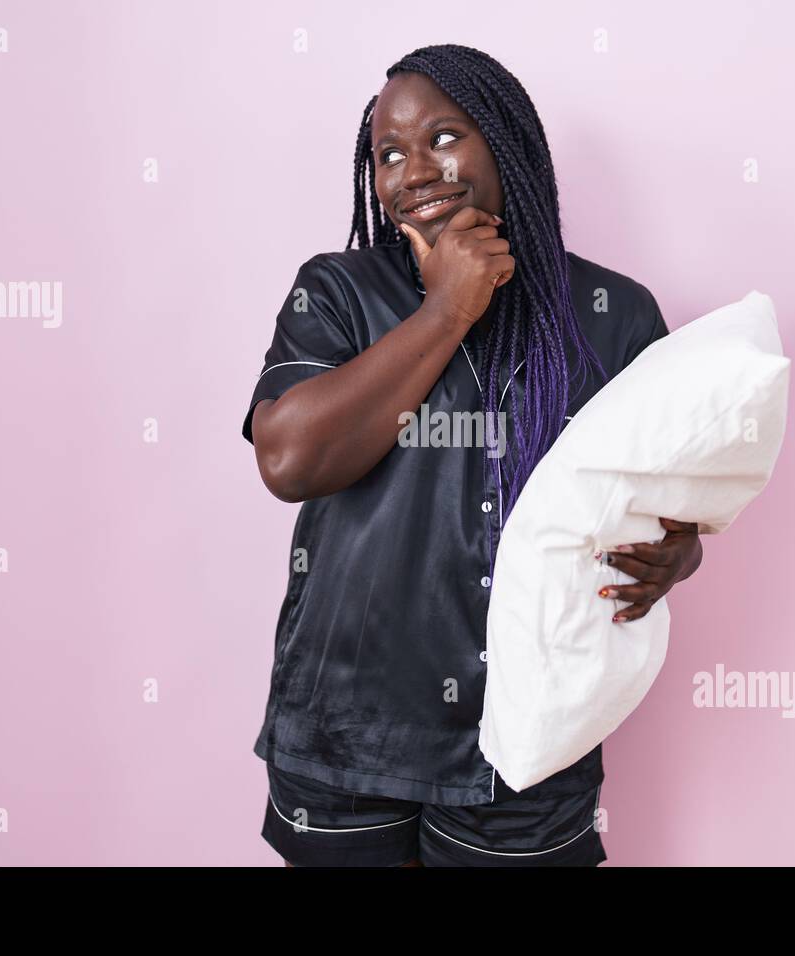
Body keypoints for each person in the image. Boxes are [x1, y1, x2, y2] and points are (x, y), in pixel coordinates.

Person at [243, 44, 703, 867]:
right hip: (348, 730)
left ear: (505, 141)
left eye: (444, 137)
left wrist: (677, 554)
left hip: (528, 737)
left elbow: (666, 504)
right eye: (388, 153)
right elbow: (288, 460)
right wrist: (447, 308)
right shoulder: (339, 292)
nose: (413, 170)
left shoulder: (613, 314)